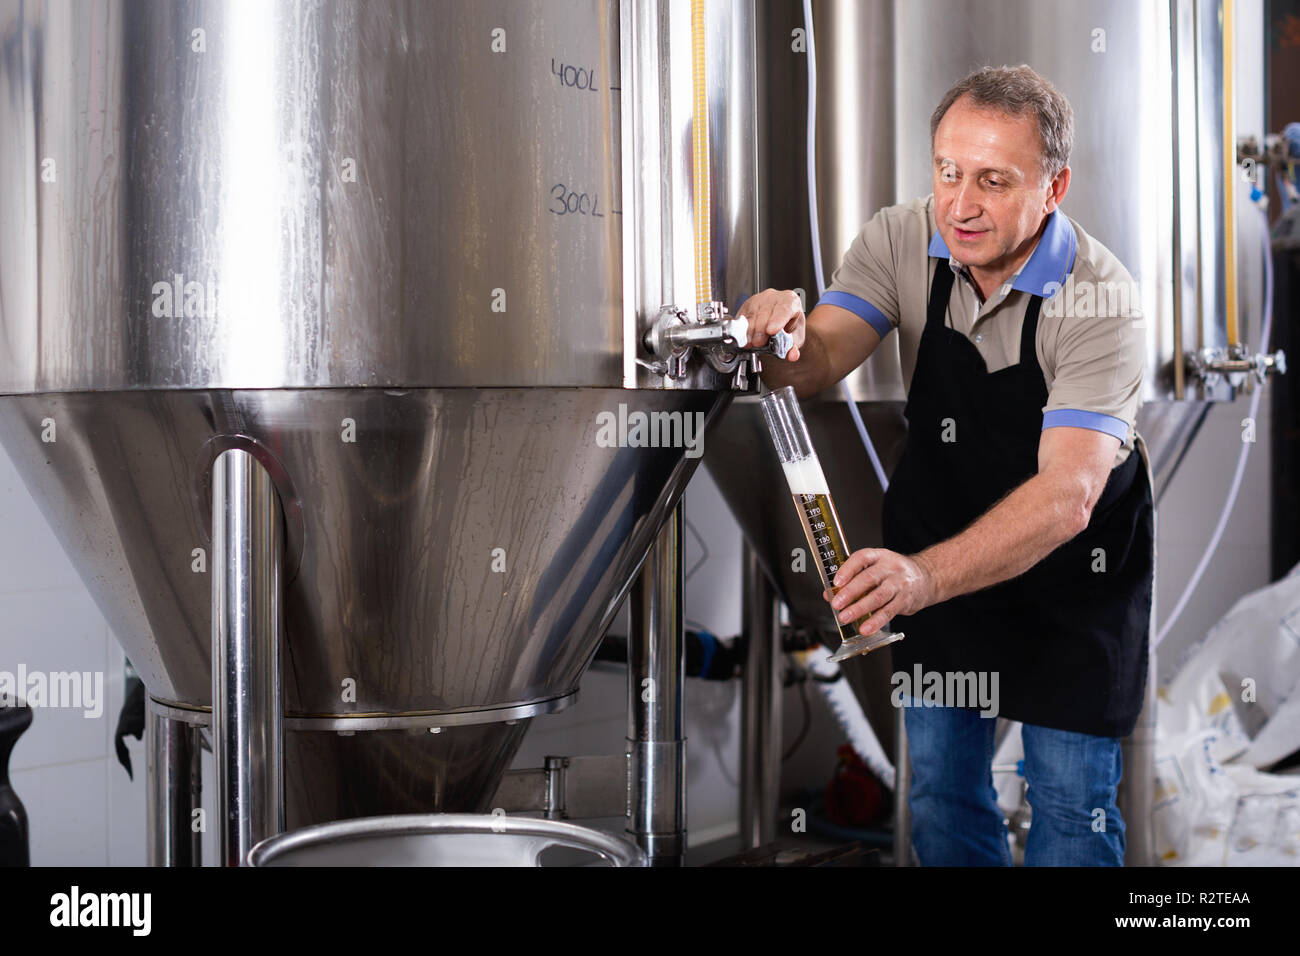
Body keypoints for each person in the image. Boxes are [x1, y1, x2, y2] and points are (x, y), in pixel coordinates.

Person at [746, 65, 1153, 866]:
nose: (961, 206)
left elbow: (1069, 496)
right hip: (937, 548)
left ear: (1054, 185)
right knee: (938, 790)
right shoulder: (902, 238)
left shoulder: (1100, 298)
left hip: (1074, 577)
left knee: (1071, 803)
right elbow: (819, 359)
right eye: (948, 172)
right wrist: (780, 336)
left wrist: (921, 578)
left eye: (994, 181)